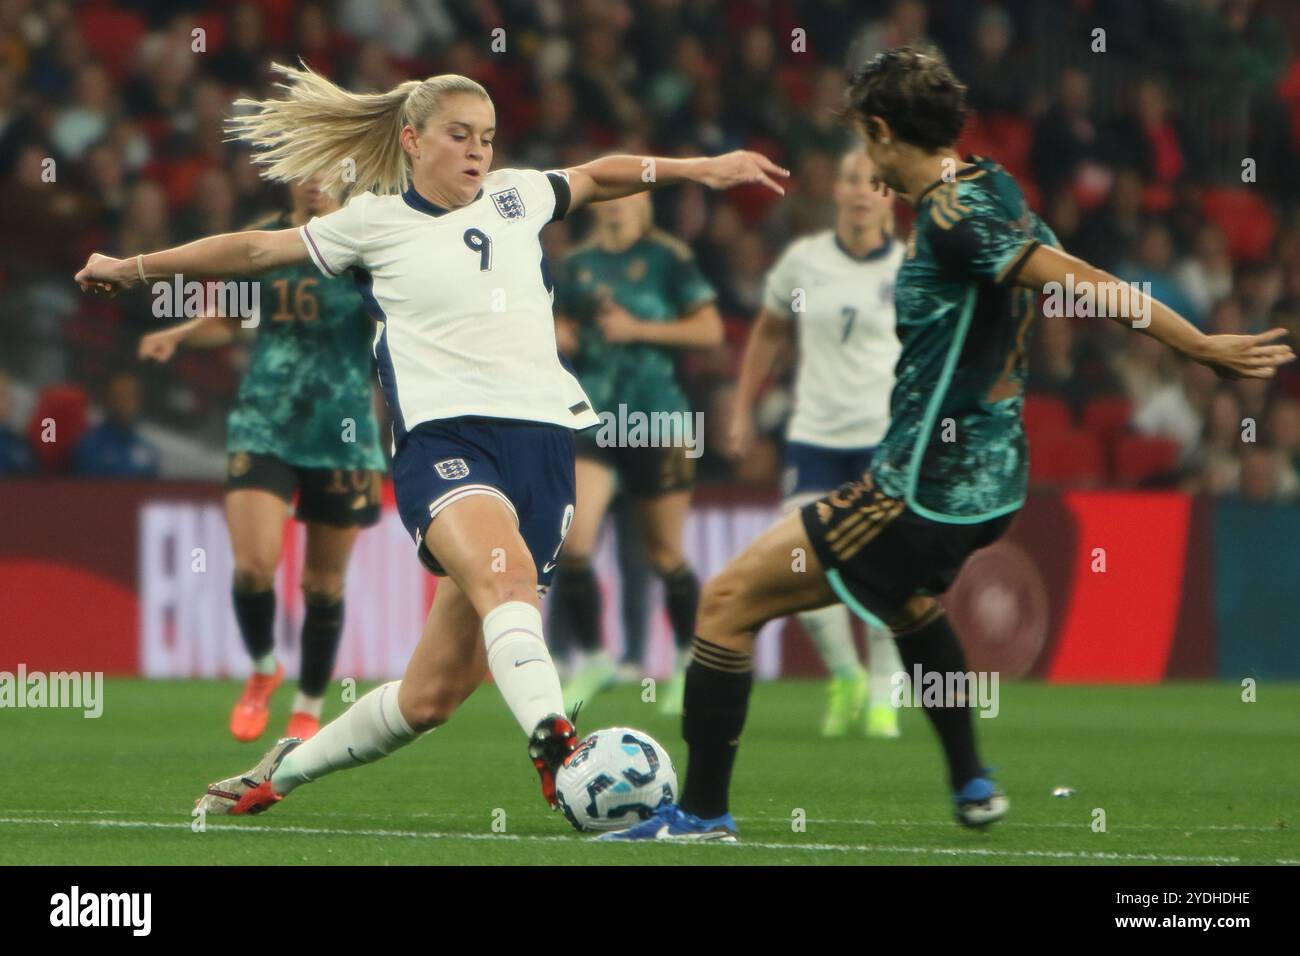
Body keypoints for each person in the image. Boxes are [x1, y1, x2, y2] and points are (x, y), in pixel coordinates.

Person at [602, 47, 1294, 842]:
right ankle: (972, 781)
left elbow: (1077, 278)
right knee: (905, 601)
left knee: (725, 605)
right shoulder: (992, 183)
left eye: (867, 144)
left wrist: (1199, 344)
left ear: (882, 130)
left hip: (920, 486)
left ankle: (703, 814)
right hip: (990, 483)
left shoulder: (955, 218)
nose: (867, 166)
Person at [75, 63, 788, 817]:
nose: (477, 151)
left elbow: (595, 175)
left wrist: (699, 168)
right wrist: (136, 267)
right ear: (413, 141)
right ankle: (554, 740)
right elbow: (252, 254)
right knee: (505, 577)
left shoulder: (517, 195)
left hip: (545, 448)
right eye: (459, 136)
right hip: (446, 444)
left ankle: (277, 774)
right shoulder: (371, 224)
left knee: (432, 697)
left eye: (486, 137)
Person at [137, 174, 386, 743]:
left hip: (342, 433)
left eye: (332, 172)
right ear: (291, 178)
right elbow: (227, 320)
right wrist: (178, 335)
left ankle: (309, 704)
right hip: (264, 423)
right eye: (308, 171)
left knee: (323, 585)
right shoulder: (261, 243)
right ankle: (263, 667)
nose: (318, 184)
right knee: (253, 564)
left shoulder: (366, 247)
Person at [730, 147, 905, 739]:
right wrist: (741, 409)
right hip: (815, 436)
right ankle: (846, 674)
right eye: (851, 178)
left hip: (883, 436)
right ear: (836, 189)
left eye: (873, 182)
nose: (860, 190)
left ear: (890, 196)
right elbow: (768, 333)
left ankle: (884, 693)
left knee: (885, 569)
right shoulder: (804, 262)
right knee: (802, 564)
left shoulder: (908, 269)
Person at [551, 191, 721, 715]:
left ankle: (690, 660)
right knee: (574, 543)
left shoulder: (671, 258)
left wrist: (638, 329)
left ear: (648, 208)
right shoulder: (576, 266)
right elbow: (555, 326)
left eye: (633, 198)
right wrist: (558, 335)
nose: (619, 205)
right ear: (598, 205)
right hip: (595, 420)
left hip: (656, 421)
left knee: (664, 555)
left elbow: (710, 331)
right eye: (613, 198)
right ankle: (599, 658)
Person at [72, 370, 161, 477]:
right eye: (119, 396)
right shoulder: (89, 447)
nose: (125, 404)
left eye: (130, 396)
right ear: (107, 401)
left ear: (138, 401)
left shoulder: (148, 450)